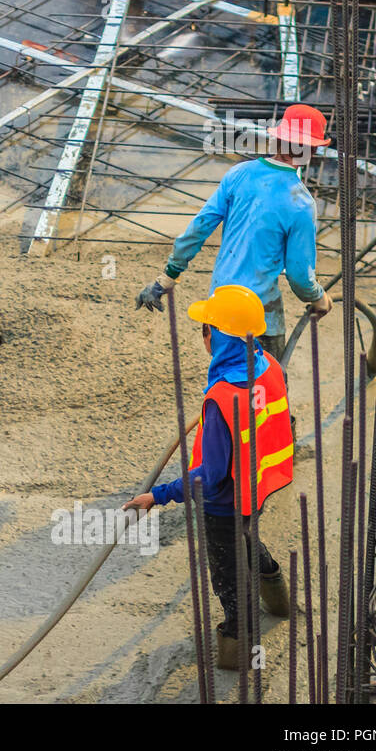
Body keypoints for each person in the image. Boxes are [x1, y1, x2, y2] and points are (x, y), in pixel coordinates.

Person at [124, 285, 294, 669]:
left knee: (231, 582)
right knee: (249, 536)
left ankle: (238, 652)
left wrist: (159, 496)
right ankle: (279, 598)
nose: (203, 336)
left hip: (224, 502)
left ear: (218, 336)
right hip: (257, 489)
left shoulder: (221, 397)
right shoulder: (269, 364)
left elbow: (212, 476)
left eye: (206, 328)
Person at [135, 103, 333, 361]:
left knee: (224, 385)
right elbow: (299, 276)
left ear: (277, 138)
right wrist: (319, 298)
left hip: (218, 307)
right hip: (259, 317)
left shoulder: (239, 173)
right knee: (268, 394)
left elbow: (199, 227)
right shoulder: (302, 204)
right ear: (313, 149)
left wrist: (167, 278)